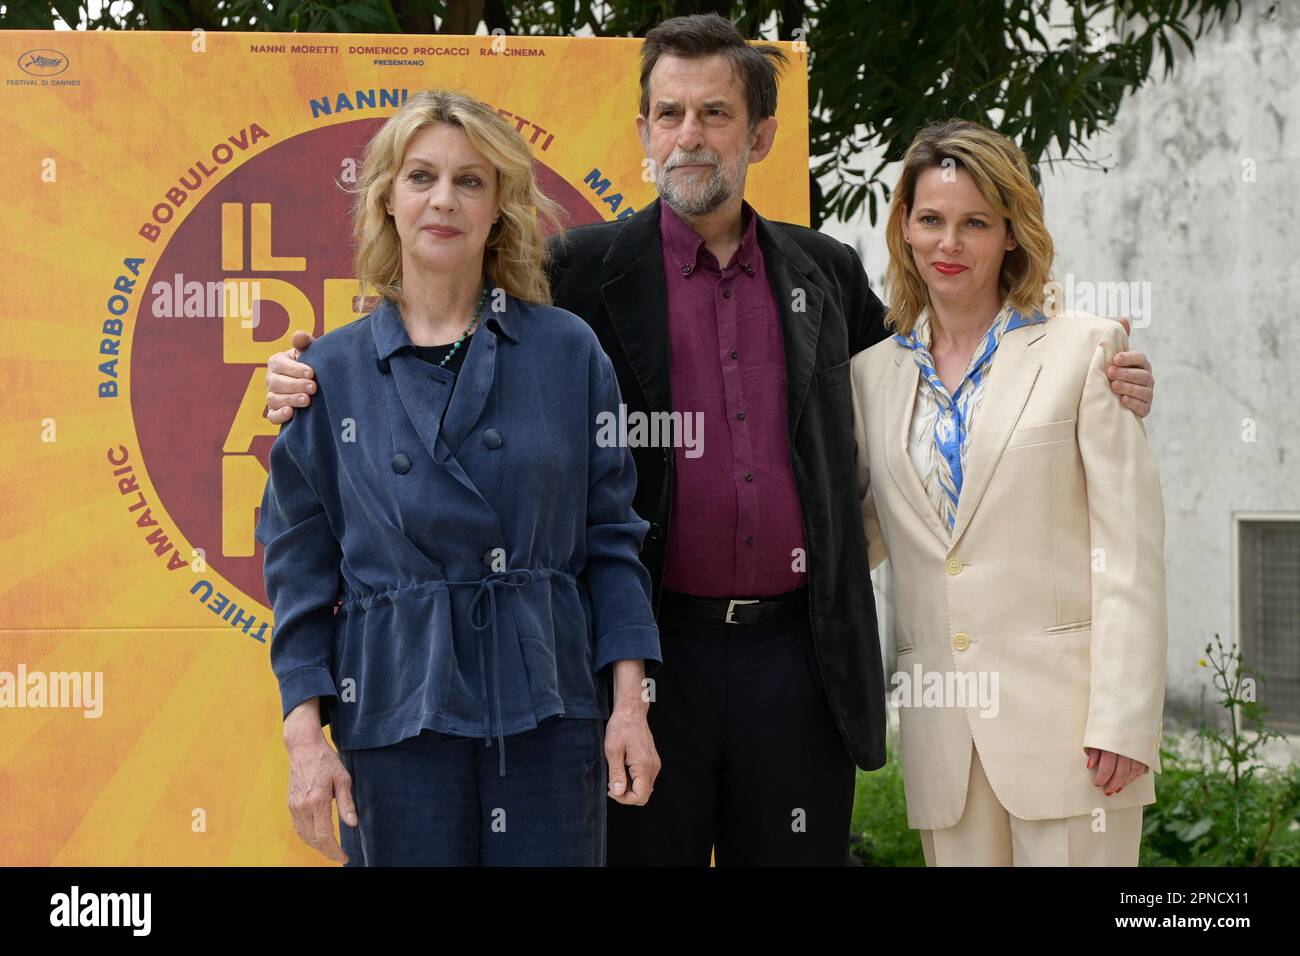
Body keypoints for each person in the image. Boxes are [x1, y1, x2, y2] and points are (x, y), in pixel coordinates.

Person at [264, 15, 1157, 866]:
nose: (690, 136)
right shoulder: (578, 277)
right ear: (644, 132)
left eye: (715, 114)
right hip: (647, 662)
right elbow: (446, 368)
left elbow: (938, 381)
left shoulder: (826, 271)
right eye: (670, 114)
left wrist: (1096, 370)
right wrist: (307, 374)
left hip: (798, 662)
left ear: (759, 136)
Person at [255, 89, 661, 867]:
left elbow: (613, 542)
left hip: (550, 705)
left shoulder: (566, 351)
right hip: (395, 708)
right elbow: (298, 569)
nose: (444, 199)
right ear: (387, 197)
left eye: (471, 181)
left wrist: (629, 706)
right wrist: (306, 737)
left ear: (501, 207)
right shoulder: (327, 371)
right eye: (421, 177)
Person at [850, 118, 1167, 866]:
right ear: (904, 227)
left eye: (975, 224)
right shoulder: (869, 377)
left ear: (1012, 234)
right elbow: (856, 536)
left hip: (1072, 736)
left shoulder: (1086, 351)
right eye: (930, 220)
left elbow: (1128, 550)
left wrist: (1123, 719)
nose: (949, 244)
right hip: (945, 742)